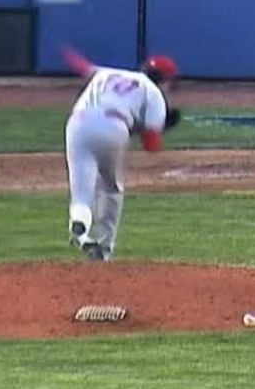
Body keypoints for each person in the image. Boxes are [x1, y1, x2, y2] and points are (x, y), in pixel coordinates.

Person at [59, 46, 182, 263]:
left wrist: (64, 48)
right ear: (165, 80)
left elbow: (82, 66)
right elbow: (151, 145)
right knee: (111, 187)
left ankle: (80, 227)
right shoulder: (153, 93)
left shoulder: (107, 73)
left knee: (81, 194)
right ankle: (104, 249)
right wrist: (160, 126)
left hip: (77, 123)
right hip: (113, 128)